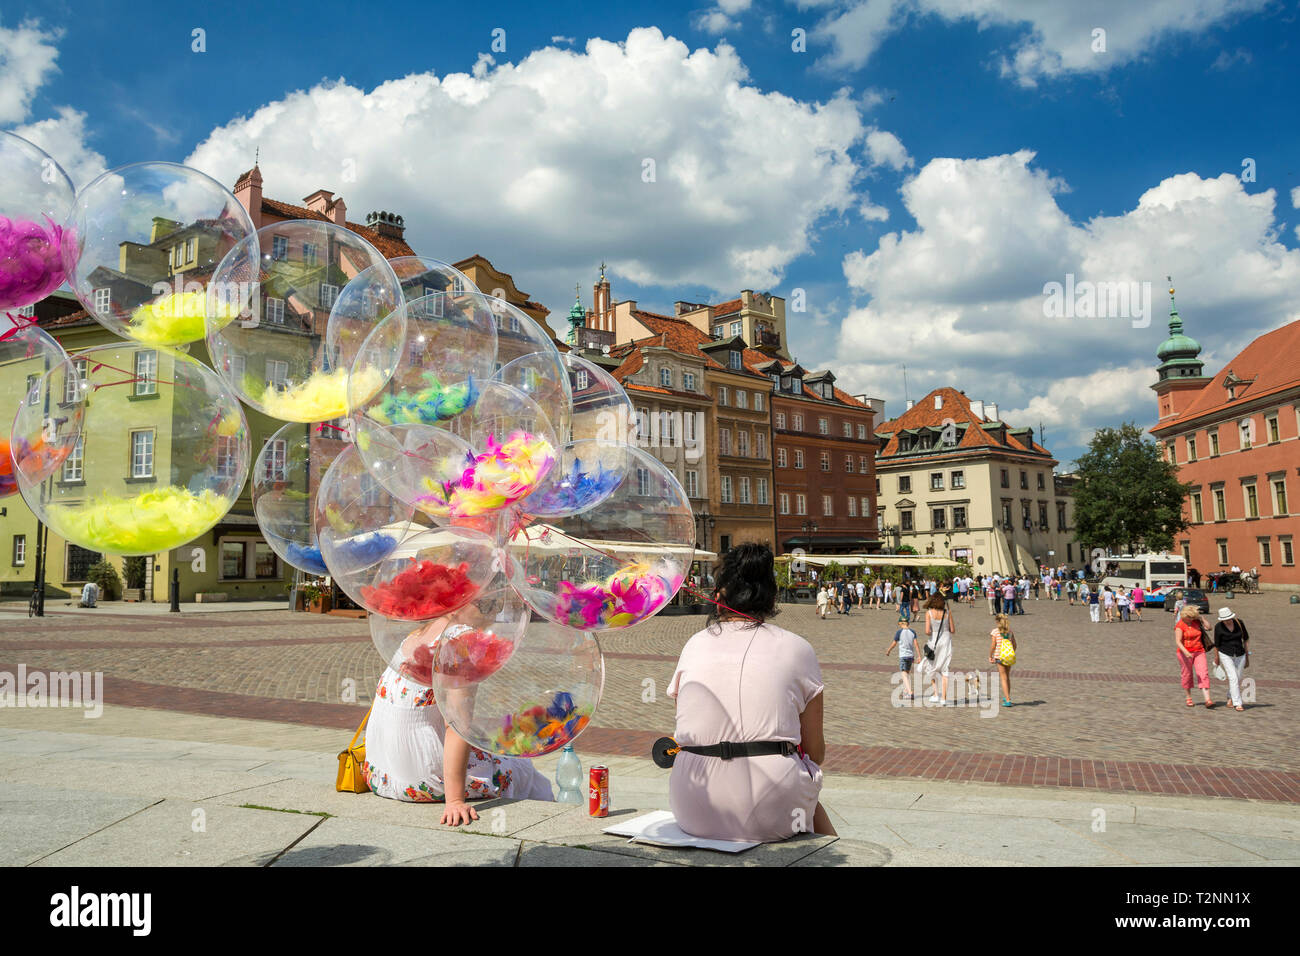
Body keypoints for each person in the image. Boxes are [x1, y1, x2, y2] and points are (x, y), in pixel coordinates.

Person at [668, 543, 834, 841]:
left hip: (692, 802)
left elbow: (689, 723)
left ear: (718, 598)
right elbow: (816, 752)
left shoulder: (693, 644)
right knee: (802, 792)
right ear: (771, 598)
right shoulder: (797, 648)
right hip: (771, 803)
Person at [363, 614, 554, 818]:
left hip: (380, 774)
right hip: (419, 779)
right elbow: (457, 726)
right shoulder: (461, 639)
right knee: (520, 767)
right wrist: (454, 801)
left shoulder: (424, 630)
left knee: (484, 743)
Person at [1174, 605, 1214, 709]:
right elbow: (1178, 641)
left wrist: (1201, 618)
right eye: (1190, 617)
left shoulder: (1196, 622)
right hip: (1184, 653)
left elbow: (1209, 628)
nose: (1192, 619)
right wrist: (1186, 652)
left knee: (1203, 673)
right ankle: (1188, 697)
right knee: (1187, 675)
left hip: (1199, 651)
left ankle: (1207, 699)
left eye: (1193, 617)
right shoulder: (1180, 625)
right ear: (1185, 616)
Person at [1212, 607, 1251, 712]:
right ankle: (1237, 703)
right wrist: (1217, 658)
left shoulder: (1239, 623)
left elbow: (1246, 639)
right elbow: (1216, 644)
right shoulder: (1218, 627)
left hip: (1240, 653)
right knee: (1233, 677)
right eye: (1225, 619)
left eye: (1229, 618)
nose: (1228, 621)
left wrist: (1247, 655)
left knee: (1237, 678)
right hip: (1225, 654)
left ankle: (1230, 697)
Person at [921, 593, 955, 704]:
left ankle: (936, 694)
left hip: (934, 641)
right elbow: (953, 630)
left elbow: (927, 631)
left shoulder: (929, 613)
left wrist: (933, 631)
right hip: (946, 641)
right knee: (945, 669)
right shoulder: (947, 613)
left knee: (931, 667)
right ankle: (944, 698)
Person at [886, 616, 920, 700]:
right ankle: (905, 693)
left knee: (903, 674)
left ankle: (910, 692)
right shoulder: (913, 632)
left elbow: (894, 643)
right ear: (908, 623)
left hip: (903, 655)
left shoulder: (899, 632)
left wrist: (888, 650)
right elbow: (916, 644)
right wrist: (919, 655)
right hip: (910, 656)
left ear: (900, 623)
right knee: (907, 673)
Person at [988, 613, 1017, 707]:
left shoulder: (995, 632)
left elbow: (993, 645)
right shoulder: (1010, 632)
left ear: (997, 622)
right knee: (1007, 677)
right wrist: (1010, 652)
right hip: (1008, 657)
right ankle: (1007, 696)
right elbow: (1015, 645)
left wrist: (990, 655)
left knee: (1003, 678)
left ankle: (1007, 699)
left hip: (999, 657)